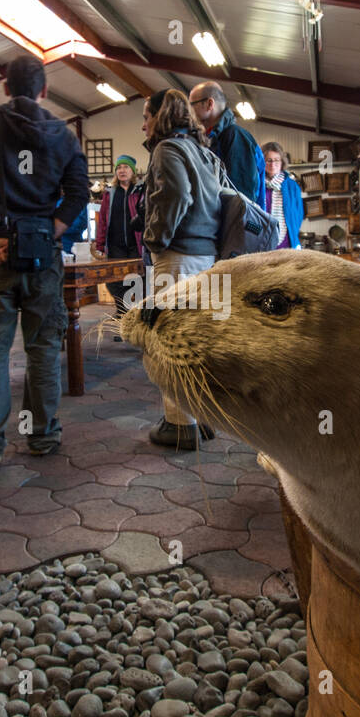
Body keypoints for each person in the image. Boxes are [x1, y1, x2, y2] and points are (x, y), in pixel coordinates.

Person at [0, 52, 90, 468]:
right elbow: (80, 194)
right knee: (43, 347)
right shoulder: (63, 135)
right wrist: (49, 232)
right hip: (43, 259)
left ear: (5, 87)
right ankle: (42, 438)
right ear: (44, 90)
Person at [141, 89, 222, 450]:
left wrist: (156, 239)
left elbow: (175, 194)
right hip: (208, 258)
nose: (143, 125)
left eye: (146, 116)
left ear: (158, 117)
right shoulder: (204, 152)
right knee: (199, 343)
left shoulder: (167, 149)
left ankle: (180, 424)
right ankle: (202, 419)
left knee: (171, 342)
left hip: (178, 257)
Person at [91, 153, 143, 334]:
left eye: (126, 167)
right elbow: (103, 221)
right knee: (114, 282)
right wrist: (100, 244)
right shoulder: (109, 193)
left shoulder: (140, 191)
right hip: (115, 245)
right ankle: (122, 316)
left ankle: (134, 321)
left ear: (133, 171)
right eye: (119, 168)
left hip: (136, 245)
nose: (122, 170)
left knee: (136, 282)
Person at [189, 81, 265, 204]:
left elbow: (241, 197)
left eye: (192, 104)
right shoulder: (208, 139)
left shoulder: (235, 137)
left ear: (209, 104)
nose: (189, 111)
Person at [261, 141, 304, 249]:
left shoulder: (292, 186)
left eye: (276, 160)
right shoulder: (257, 184)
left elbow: (299, 214)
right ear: (263, 162)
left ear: (282, 161)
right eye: (269, 160)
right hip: (262, 242)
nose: (273, 164)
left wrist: (293, 232)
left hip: (287, 242)